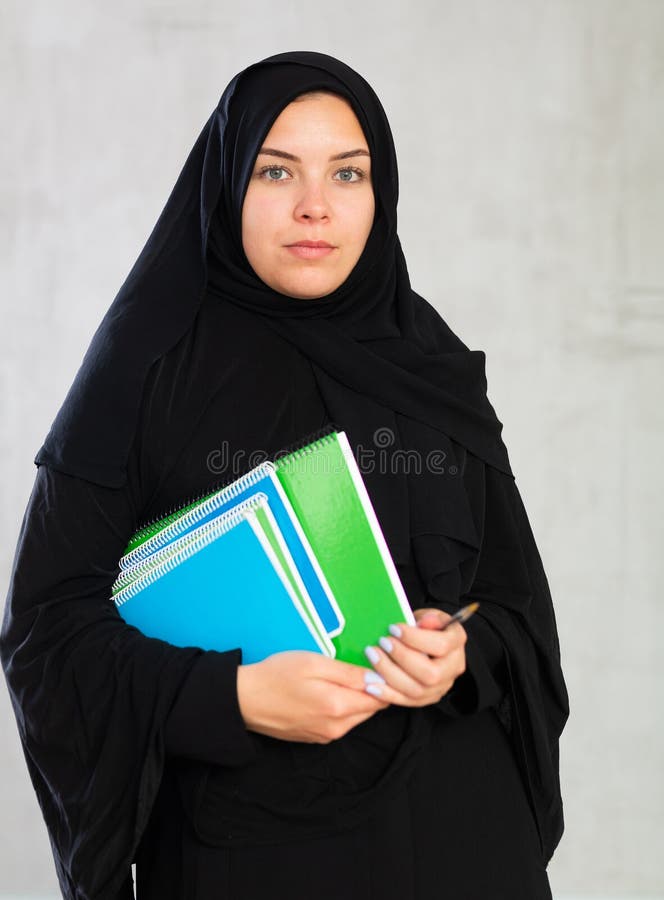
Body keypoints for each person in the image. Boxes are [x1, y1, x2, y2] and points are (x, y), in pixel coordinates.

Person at [0, 51, 569, 900]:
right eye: (277, 171)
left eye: (348, 172)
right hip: (249, 858)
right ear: (228, 184)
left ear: (380, 193)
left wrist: (459, 651)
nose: (315, 205)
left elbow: (514, 607)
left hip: (466, 843)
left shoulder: (427, 358)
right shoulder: (147, 368)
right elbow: (46, 634)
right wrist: (229, 698)